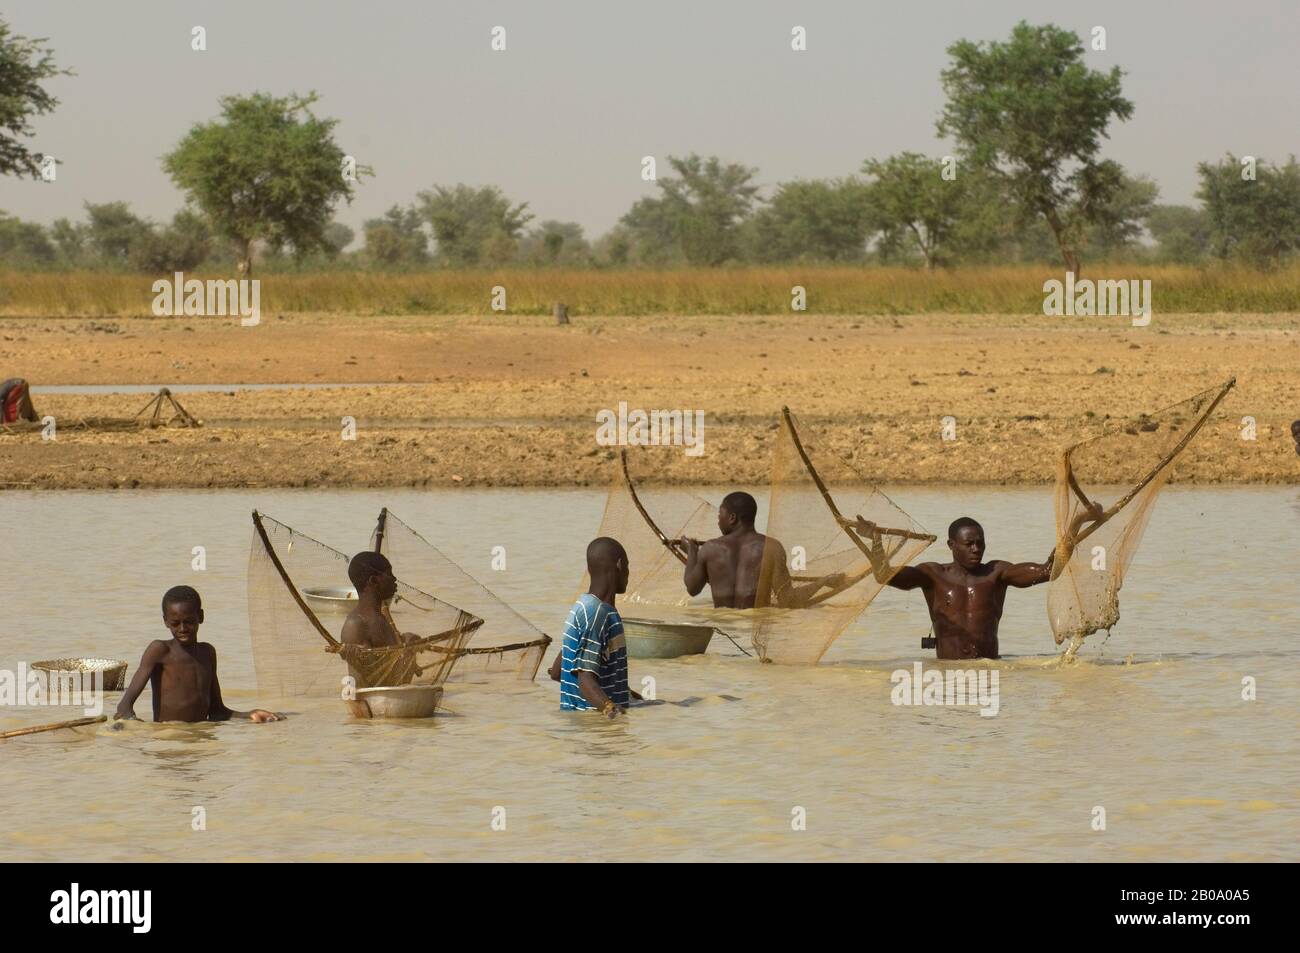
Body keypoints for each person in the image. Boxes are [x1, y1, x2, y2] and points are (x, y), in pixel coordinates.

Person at [868, 510, 1099, 659]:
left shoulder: (997, 573)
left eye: (980, 543)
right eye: (969, 544)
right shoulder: (933, 575)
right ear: (951, 544)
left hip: (991, 670)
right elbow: (885, 575)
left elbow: (1049, 570)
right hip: (948, 674)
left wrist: (1077, 524)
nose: (976, 549)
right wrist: (876, 541)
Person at [115, 586, 280, 722]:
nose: (182, 628)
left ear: (200, 616)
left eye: (188, 621)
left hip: (201, 739)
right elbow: (124, 707)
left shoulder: (207, 652)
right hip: (169, 738)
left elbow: (217, 712)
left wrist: (249, 715)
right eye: (175, 623)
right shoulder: (159, 650)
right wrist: (135, 727)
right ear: (166, 621)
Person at [680, 491, 843, 608]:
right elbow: (788, 600)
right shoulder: (772, 548)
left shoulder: (710, 549)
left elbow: (692, 589)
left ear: (732, 518)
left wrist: (693, 552)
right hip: (758, 624)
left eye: (719, 516)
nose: (718, 522)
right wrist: (824, 581)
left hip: (723, 626)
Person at [549, 537, 640, 717]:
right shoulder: (597, 614)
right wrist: (611, 710)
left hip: (582, 727)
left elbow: (558, 671)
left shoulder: (584, 607)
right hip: (594, 728)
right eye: (628, 566)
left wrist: (627, 693)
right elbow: (585, 679)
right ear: (620, 565)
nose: (629, 573)